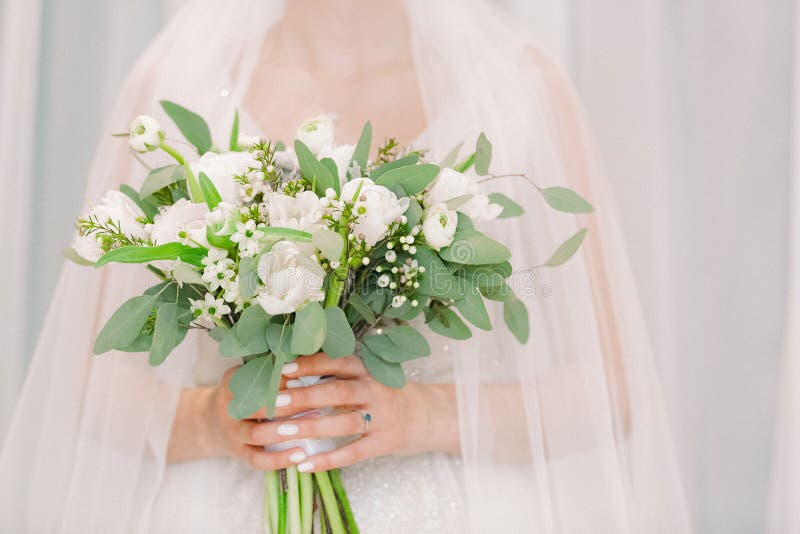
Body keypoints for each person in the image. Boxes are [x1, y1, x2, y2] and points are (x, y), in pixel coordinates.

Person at [0, 1, 692, 532]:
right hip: (225, 499)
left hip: (454, 505)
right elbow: (93, 383)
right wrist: (210, 420)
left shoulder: (517, 91)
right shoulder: (176, 85)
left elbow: (608, 388)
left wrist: (420, 416)